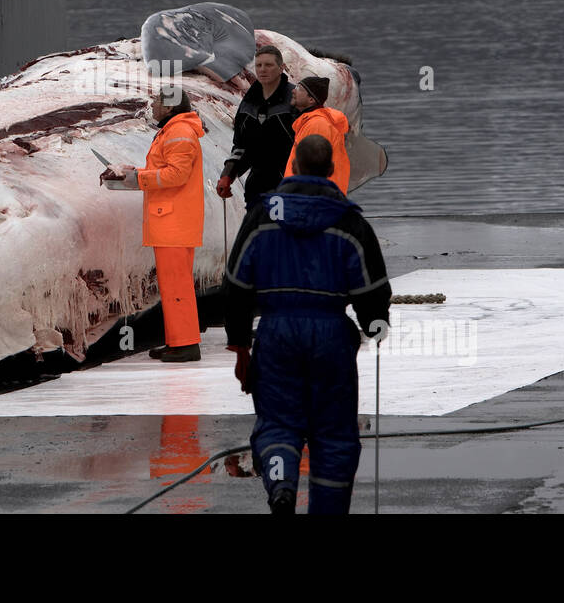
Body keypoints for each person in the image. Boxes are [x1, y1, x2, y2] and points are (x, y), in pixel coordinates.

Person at [224, 134, 391, 514]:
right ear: (331, 169)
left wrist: (239, 344)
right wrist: (374, 323)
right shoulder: (349, 221)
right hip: (330, 335)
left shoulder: (263, 215)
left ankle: (282, 483)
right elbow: (373, 287)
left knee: (279, 423)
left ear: (294, 166)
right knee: (333, 434)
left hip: (277, 332)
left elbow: (235, 283)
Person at [112, 87, 205, 362]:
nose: (151, 105)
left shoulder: (179, 133)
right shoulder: (172, 130)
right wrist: (137, 174)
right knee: (173, 285)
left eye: (156, 102)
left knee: (177, 286)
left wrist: (138, 179)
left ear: (170, 107)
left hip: (173, 221)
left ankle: (187, 344)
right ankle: (177, 341)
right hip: (170, 220)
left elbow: (176, 175)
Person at [217, 45, 297, 210]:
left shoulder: (294, 98)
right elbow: (240, 146)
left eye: (269, 65)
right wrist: (228, 175)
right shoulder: (248, 103)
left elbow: (307, 145)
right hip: (256, 186)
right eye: (259, 65)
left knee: (277, 234)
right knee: (257, 233)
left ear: (281, 68)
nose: (262, 70)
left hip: (288, 185)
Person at [284, 75, 351, 194]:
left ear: (311, 100)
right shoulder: (309, 122)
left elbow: (313, 169)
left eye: (299, 88)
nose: (293, 90)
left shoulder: (317, 125)